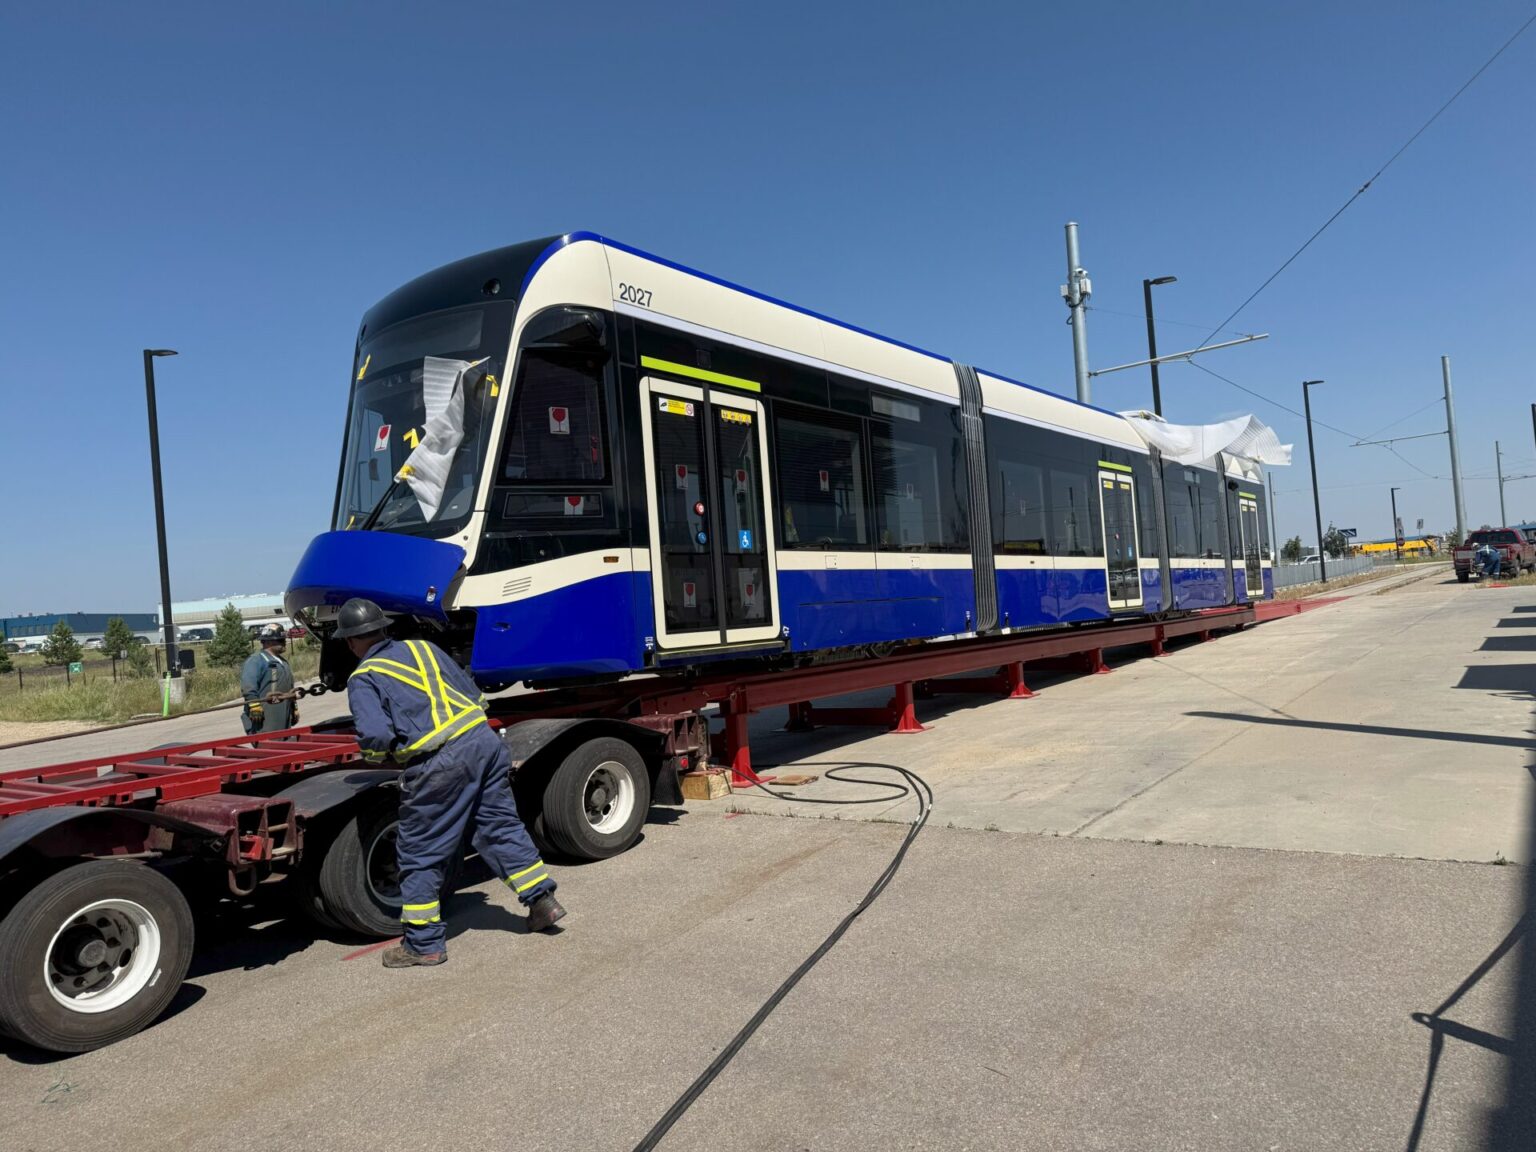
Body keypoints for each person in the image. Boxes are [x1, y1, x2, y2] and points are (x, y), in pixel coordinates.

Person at [333, 597, 565, 968]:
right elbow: (472, 693)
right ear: (383, 629)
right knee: (498, 827)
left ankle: (423, 944)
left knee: (420, 851)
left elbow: (375, 737)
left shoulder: (364, 678)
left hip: (441, 763)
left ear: (350, 641)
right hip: (484, 744)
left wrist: (386, 758)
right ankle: (542, 901)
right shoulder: (424, 649)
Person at [240, 625, 296, 734]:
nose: (284, 642)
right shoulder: (256, 661)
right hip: (264, 716)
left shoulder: (282, 662)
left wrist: (294, 707)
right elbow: (248, 686)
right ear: (268, 642)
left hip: (283, 712)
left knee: (286, 743)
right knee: (269, 745)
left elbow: (290, 688)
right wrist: (255, 706)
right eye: (280, 640)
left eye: (284, 639)